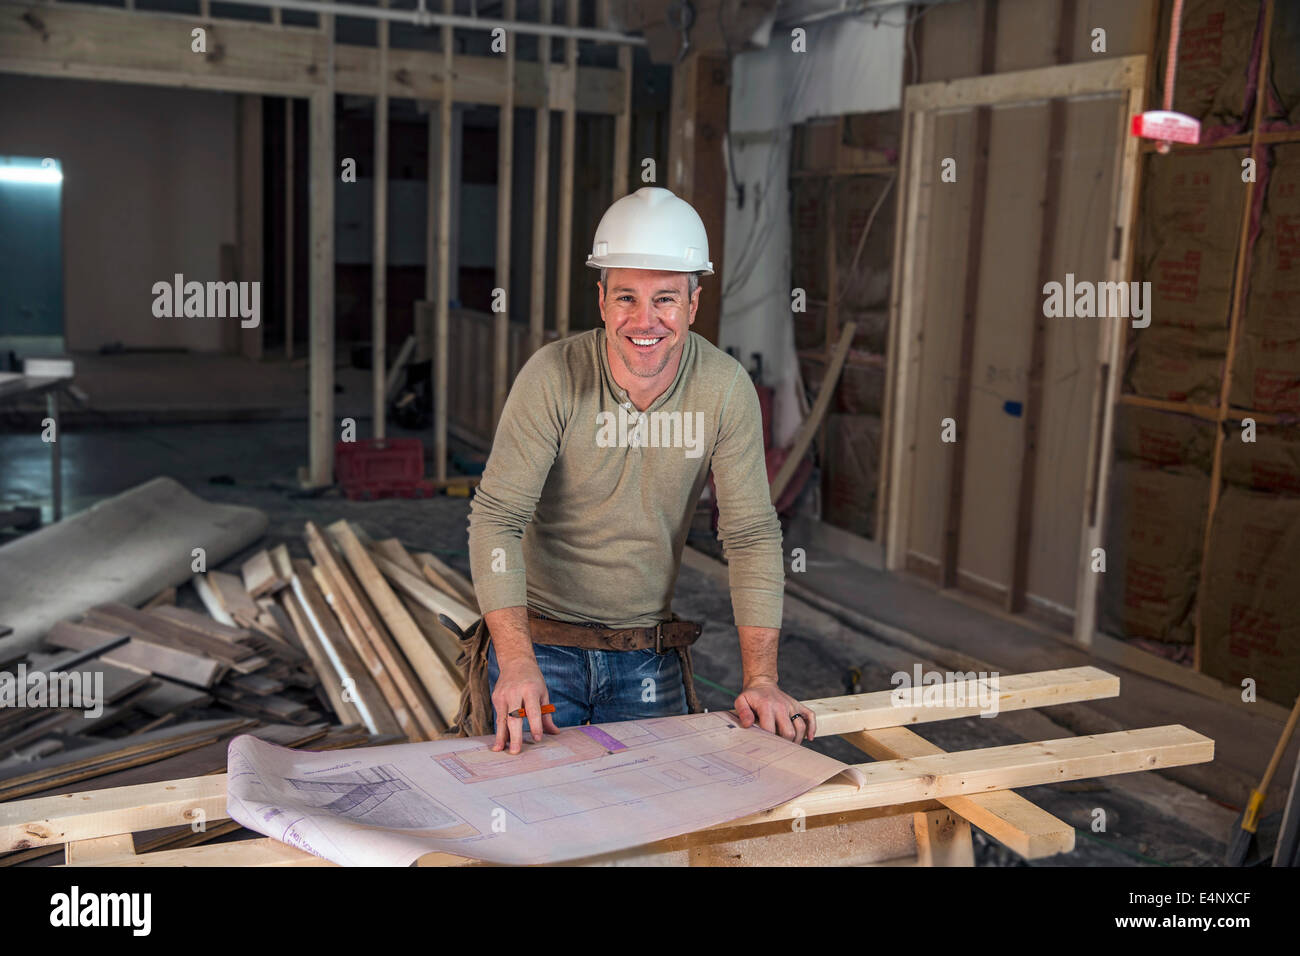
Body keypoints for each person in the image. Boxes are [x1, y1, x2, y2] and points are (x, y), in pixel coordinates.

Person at [458, 186, 816, 754]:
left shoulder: (723, 389)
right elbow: (497, 520)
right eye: (626, 297)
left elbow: (750, 535)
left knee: (657, 826)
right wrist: (517, 661)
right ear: (601, 301)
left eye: (666, 299)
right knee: (531, 821)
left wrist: (762, 680)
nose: (644, 320)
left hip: (645, 653)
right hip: (540, 647)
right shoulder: (552, 377)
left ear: (693, 306)